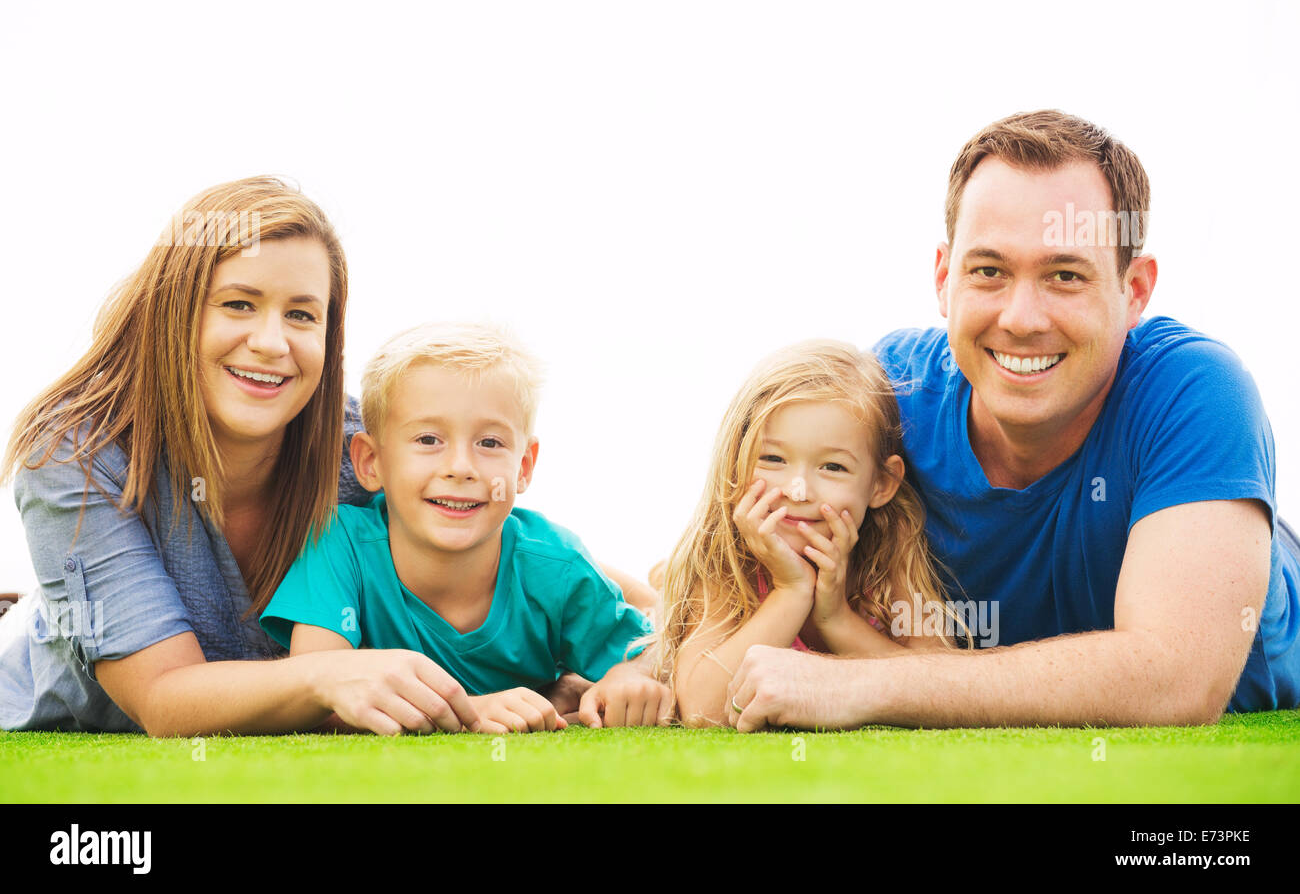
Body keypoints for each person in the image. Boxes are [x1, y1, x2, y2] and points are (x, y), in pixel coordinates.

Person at [726, 110, 1300, 730]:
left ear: (1134, 289)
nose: (1022, 318)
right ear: (945, 279)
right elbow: (734, 577)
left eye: (1064, 275)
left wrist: (862, 684)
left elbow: (1176, 680)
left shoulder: (1196, 391)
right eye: (989, 271)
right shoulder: (889, 398)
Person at [0, 177, 481, 736]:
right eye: (238, 304)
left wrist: (603, 654)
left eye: (302, 315)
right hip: (56, 720)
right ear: (173, 312)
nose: (272, 342)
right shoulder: (75, 454)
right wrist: (327, 675)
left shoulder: (362, 453)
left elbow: (532, 558)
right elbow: (164, 698)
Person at [260, 322, 672, 733]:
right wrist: (471, 712)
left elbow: (654, 649)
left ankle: (671, 577)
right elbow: (313, 690)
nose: (460, 467)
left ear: (524, 466)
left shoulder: (557, 565)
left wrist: (630, 676)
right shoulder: (338, 545)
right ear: (371, 462)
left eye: (490, 443)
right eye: (428, 439)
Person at [650, 340, 969, 727]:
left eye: (832, 467)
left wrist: (835, 618)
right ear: (736, 463)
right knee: (656, 594)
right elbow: (702, 709)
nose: (797, 490)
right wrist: (791, 591)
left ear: (881, 484)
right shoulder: (725, 555)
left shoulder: (890, 545)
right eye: (773, 459)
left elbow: (945, 683)